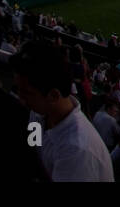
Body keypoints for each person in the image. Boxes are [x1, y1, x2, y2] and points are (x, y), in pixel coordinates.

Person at [13, 41, 113, 181]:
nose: (20, 98)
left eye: (26, 92)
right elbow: (34, 147)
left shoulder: (77, 151)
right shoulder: (38, 113)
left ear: (53, 96)